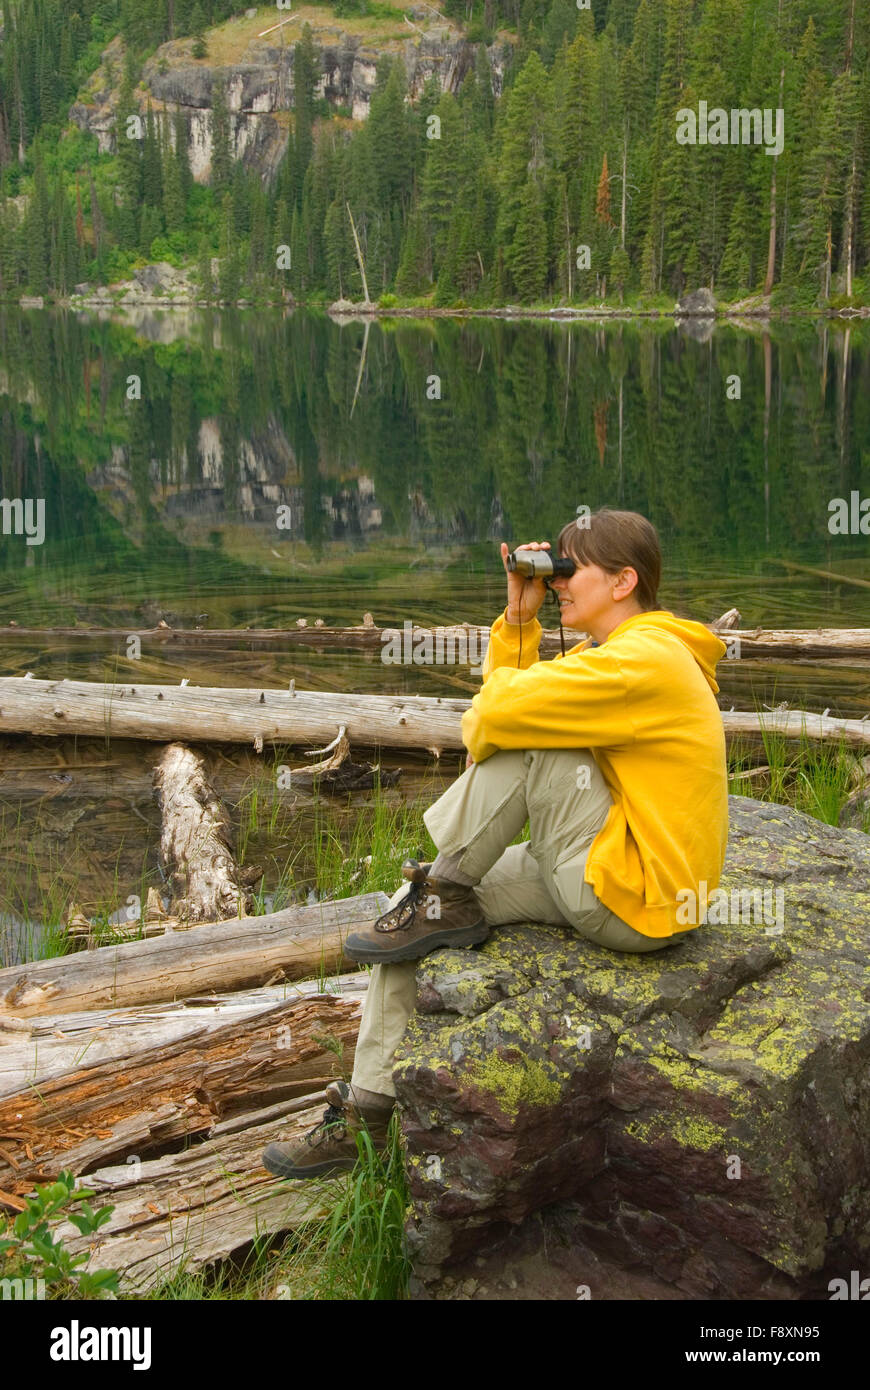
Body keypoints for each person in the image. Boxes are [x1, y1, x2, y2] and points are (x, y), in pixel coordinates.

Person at [262, 508, 730, 1179]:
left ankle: (448, 884)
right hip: (620, 879)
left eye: (573, 569)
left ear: (624, 581)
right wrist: (518, 622)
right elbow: (505, 708)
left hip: (634, 894)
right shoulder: (628, 654)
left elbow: (494, 720)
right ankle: (365, 1115)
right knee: (411, 916)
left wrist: (508, 693)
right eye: (557, 567)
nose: (560, 582)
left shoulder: (645, 660)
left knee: (537, 743)